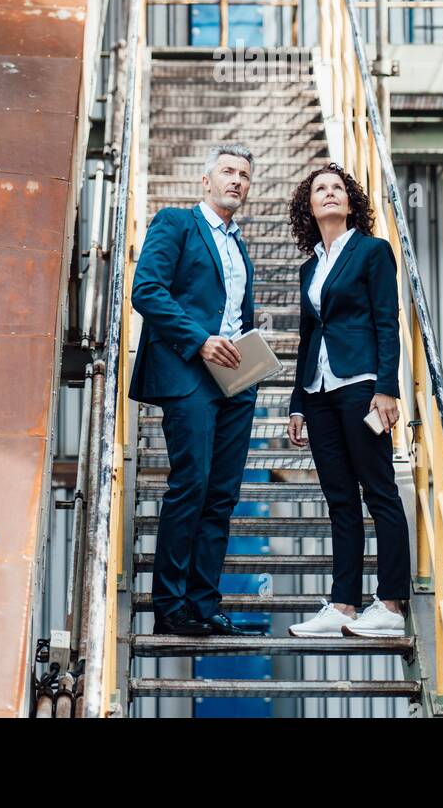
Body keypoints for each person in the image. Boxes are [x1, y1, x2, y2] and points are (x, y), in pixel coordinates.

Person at [129, 143, 264, 637]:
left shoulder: (239, 244)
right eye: (227, 171)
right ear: (205, 181)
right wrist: (200, 341)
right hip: (190, 372)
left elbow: (237, 313)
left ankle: (204, 604)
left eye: (244, 175)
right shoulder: (176, 224)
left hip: (237, 380)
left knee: (223, 494)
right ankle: (170, 605)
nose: (236, 180)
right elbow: (146, 290)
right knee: (193, 484)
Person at [286, 162, 411, 638]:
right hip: (319, 392)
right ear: (310, 206)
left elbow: (387, 321)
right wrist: (298, 402)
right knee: (339, 498)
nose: (330, 193)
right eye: (320, 189)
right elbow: (306, 337)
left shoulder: (373, 252)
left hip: (360, 385)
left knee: (379, 492)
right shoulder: (309, 268)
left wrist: (387, 388)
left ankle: (392, 604)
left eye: (338, 188)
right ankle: (344, 605)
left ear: (350, 201)